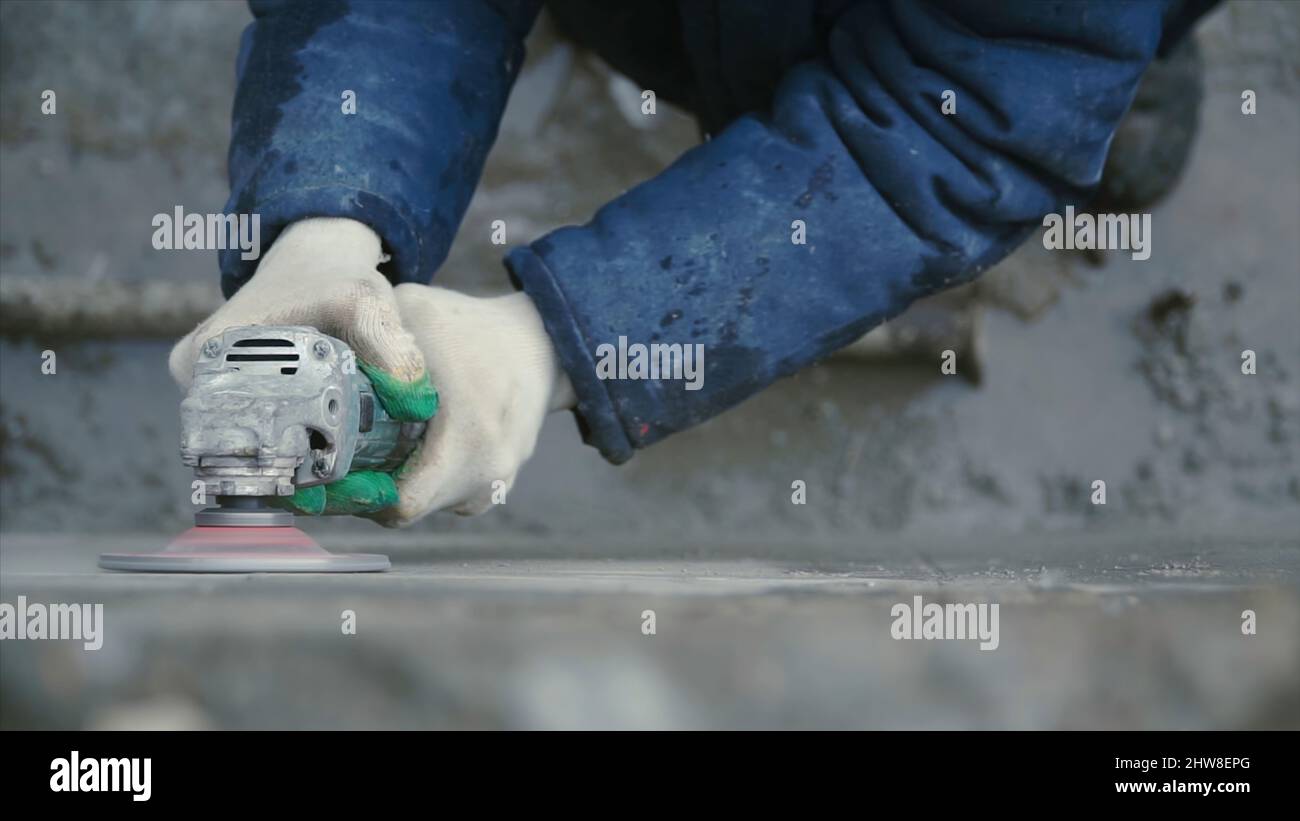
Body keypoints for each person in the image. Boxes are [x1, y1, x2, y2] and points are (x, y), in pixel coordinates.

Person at [168, 0, 1218, 525]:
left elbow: (951, 123)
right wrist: (323, 217)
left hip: (999, 39)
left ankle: (1107, 108)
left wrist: (556, 342)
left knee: (1059, 121)